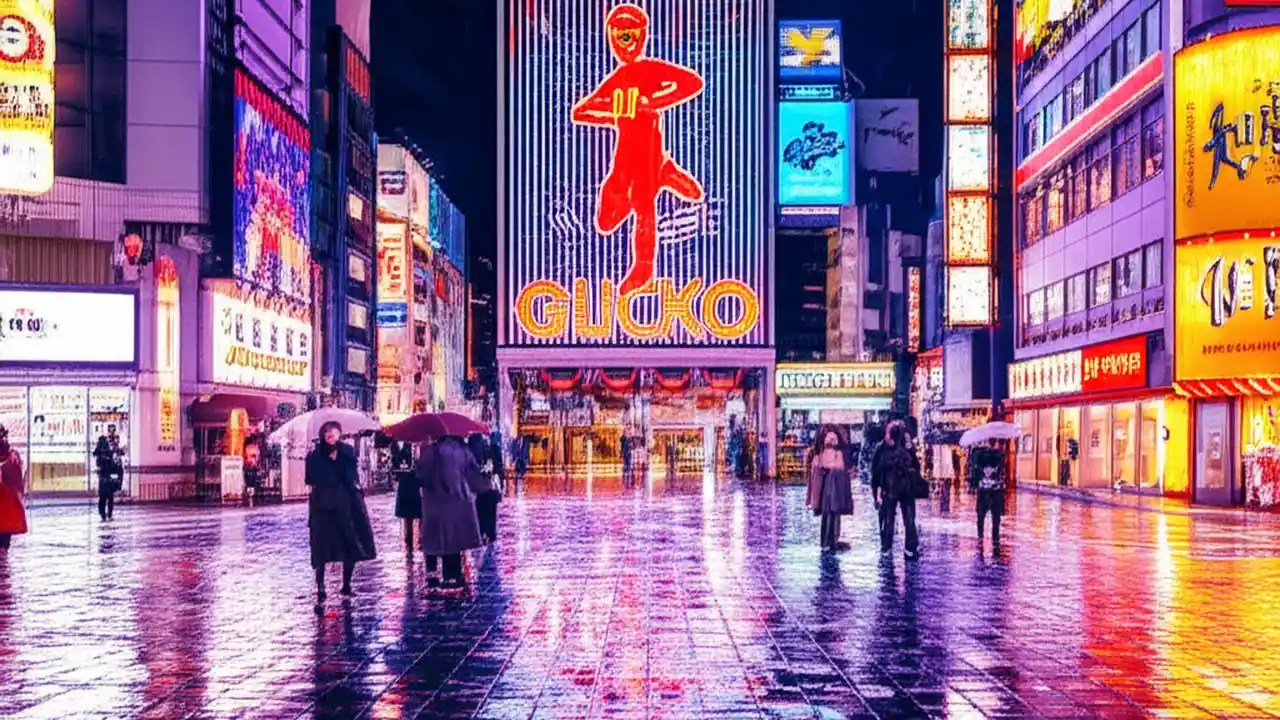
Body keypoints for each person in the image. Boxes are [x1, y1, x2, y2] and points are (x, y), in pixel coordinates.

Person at [305, 421, 377, 607]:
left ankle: (346, 584)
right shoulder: (314, 456)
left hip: (346, 505)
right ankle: (320, 586)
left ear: (339, 434)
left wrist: (341, 460)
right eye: (327, 433)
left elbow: (351, 477)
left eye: (333, 432)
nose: (330, 436)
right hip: (323, 508)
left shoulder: (347, 452)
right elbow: (311, 479)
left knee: (349, 543)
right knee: (321, 547)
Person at [417, 433, 490, 590]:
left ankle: (432, 572)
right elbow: (473, 477)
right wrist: (486, 486)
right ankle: (452, 575)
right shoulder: (462, 452)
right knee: (453, 540)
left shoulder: (429, 451)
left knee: (435, 538)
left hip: (434, 503)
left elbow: (421, 475)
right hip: (457, 501)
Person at [872, 421, 921, 560]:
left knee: (898, 518)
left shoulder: (889, 448)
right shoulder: (884, 448)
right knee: (898, 518)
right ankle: (898, 547)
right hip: (895, 488)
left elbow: (875, 473)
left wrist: (875, 494)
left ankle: (893, 547)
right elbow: (876, 473)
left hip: (898, 488)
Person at [806, 426, 854, 551]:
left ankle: (831, 541)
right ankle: (827, 541)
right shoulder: (820, 455)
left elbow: (839, 467)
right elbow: (816, 472)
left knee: (833, 514)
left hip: (834, 489)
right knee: (828, 514)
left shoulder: (837, 454)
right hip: (826, 489)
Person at [969, 439, 1008, 552]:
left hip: (986, 491)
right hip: (994, 491)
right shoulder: (999, 455)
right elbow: (1001, 473)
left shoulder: (978, 454)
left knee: (982, 518)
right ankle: (994, 542)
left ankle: (982, 540)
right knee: (994, 520)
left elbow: (975, 473)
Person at [0, 425, 27, 550]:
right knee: (4, 543)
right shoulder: (12, 455)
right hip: (7, 501)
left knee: (4, 541)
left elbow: (16, 480)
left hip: (6, 501)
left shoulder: (12, 456)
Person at [391, 441, 420, 550]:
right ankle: (410, 542)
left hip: (412, 486)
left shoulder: (417, 450)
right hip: (409, 486)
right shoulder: (402, 450)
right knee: (410, 517)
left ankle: (414, 542)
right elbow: (397, 468)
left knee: (414, 517)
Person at [92, 434, 122, 520]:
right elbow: (113, 464)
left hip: (102, 479)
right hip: (108, 478)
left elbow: (98, 463)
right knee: (110, 498)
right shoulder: (108, 452)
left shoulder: (98, 452)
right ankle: (109, 514)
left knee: (102, 498)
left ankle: (103, 514)